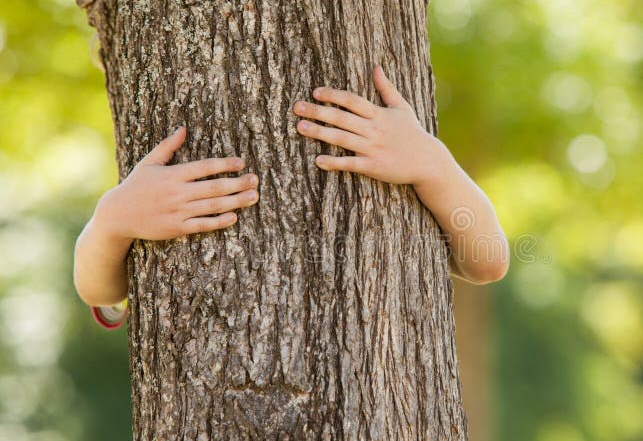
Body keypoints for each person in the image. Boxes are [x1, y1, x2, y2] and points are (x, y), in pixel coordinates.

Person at [73, 65, 509, 329]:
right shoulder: (142, 180)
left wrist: (434, 164)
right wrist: (113, 220)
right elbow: (100, 289)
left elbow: (487, 258)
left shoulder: (414, 164)